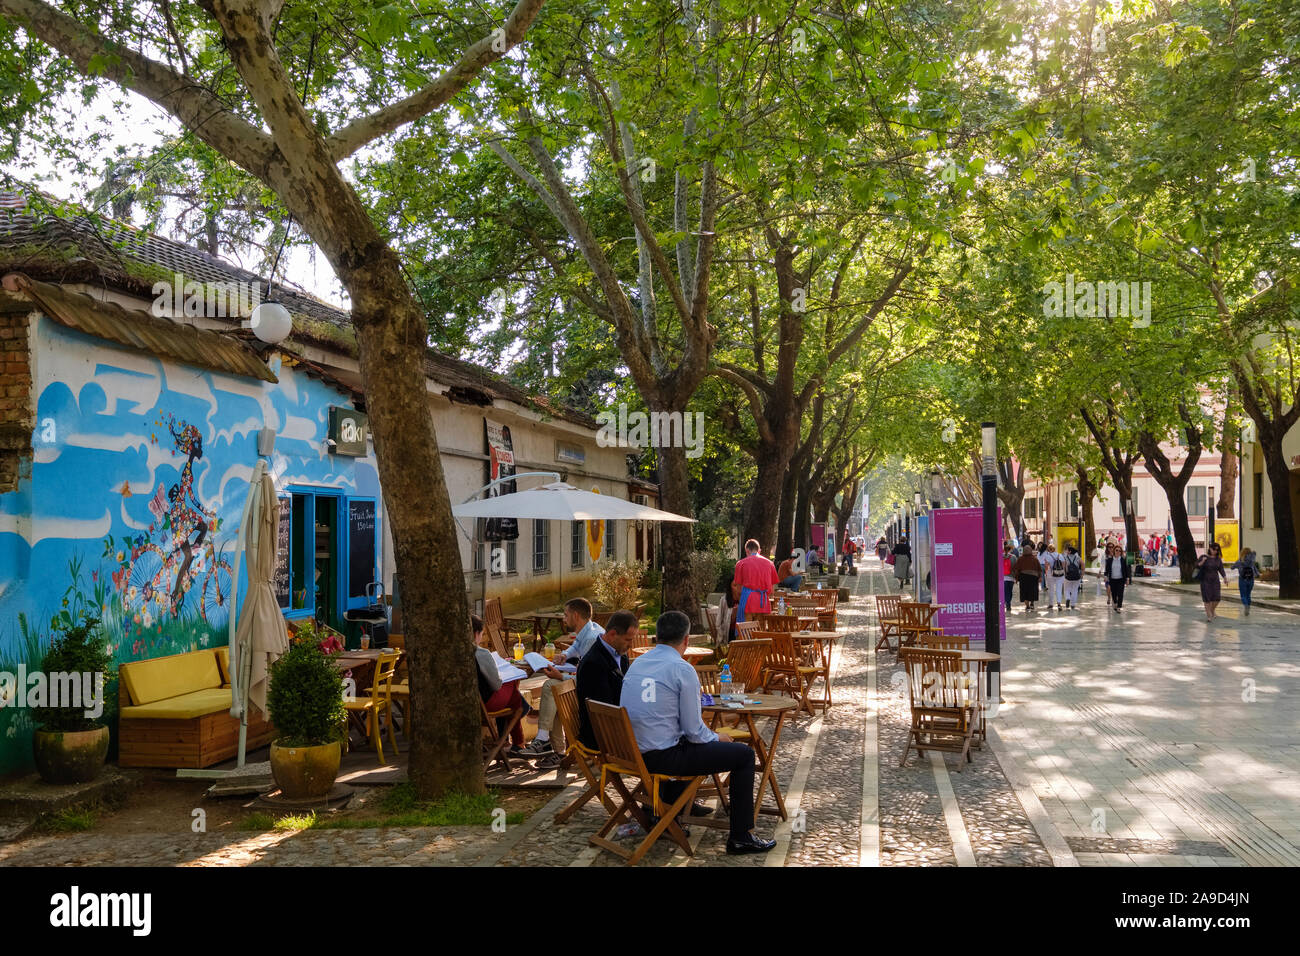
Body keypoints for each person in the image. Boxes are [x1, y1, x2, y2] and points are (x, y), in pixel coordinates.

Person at [620, 611, 775, 855]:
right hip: (660, 757)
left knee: (687, 743)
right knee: (743, 755)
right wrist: (717, 737)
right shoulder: (682, 669)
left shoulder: (636, 663)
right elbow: (694, 731)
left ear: (656, 637)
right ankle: (741, 836)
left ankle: (670, 815)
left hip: (631, 753)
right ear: (686, 640)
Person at [517, 598, 606, 762]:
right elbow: (576, 646)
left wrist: (561, 676)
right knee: (554, 689)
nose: (564, 619)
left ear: (576, 616)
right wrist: (565, 655)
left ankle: (547, 743)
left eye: (566, 615)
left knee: (552, 685)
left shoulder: (591, 638)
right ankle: (554, 750)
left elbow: (585, 679)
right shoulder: (588, 630)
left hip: (591, 695)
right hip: (588, 688)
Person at [574, 610, 637, 751]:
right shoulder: (593, 663)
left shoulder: (620, 653)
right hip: (603, 736)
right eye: (628, 639)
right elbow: (604, 709)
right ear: (612, 634)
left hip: (617, 725)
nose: (631, 645)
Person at [472, 614, 530, 753]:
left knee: (513, 696)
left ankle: (509, 741)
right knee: (513, 685)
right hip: (485, 705)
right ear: (476, 634)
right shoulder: (480, 653)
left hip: (466, 703)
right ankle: (516, 742)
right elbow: (496, 685)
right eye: (482, 634)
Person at [733, 539, 779, 626]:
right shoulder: (770, 563)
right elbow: (772, 591)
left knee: (745, 632)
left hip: (747, 601)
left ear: (747, 550)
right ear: (758, 550)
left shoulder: (741, 563)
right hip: (764, 603)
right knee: (761, 632)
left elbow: (738, 590)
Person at [1197, 543, 1228, 622]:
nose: (1215, 551)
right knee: (1207, 598)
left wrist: (1225, 578)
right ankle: (1209, 616)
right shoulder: (1204, 557)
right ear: (1210, 548)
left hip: (1215, 580)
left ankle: (1211, 610)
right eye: (1214, 549)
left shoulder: (1218, 559)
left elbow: (1221, 569)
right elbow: (1197, 566)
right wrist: (1203, 561)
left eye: (1217, 550)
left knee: (1217, 598)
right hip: (1205, 580)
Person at [1014, 543, 1042, 612]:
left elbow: (1017, 569)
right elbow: (1039, 569)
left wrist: (1016, 578)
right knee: (1032, 590)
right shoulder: (1035, 559)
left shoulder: (1020, 559)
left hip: (1024, 578)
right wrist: (1040, 577)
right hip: (1033, 578)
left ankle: (1027, 606)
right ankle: (1032, 603)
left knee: (1024, 591)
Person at [1233, 547, 1261, 616]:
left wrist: (1233, 567)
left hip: (1242, 579)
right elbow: (1255, 569)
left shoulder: (1240, 561)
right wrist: (1258, 574)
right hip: (1251, 579)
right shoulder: (1252, 561)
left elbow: (1233, 566)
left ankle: (1246, 605)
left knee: (1243, 595)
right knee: (1248, 595)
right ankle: (1248, 606)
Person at [1104, 545, 1132, 612]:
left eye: (1119, 551)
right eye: (1116, 550)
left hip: (1121, 579)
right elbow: (1107, 569)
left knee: (1120, 593)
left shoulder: (1123, 560)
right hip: (1112, 579)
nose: (1118, 552)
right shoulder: (1109, 560)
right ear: (1114, 551)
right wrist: (1105, 576)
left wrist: (1128, 579)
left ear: (1121, 552)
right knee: (1114, 593)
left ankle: (1119, 606)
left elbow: (1127, 570)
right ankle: (1115, 603)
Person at [1045, 542, 1066, 610]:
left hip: (1050, 575)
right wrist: (1061, 570)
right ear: (1054, 549)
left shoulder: (1047, 556)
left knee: (1051, 589)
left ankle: (1051, 604)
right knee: (1058, 589)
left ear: (1049, 549)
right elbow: (1063, 564)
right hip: (1060, 574)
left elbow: (1046, 566)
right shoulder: (1060, 555)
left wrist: (1047, 572)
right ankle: (1059, 604)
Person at [1063, 545, 1083, 609]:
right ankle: (1073, 604)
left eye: (1067, 550)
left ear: (1070, 551)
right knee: (1075, 590)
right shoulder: (1078, 557)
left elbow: (1064, 567)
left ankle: (1068, 598)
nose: (1066, 551)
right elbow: (1083, 564)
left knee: (1066, 589)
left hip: (1068, 576)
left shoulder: (1066, 558)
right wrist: (1082, 574)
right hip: (1077, 576)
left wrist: (1065, 574)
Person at [1002, 542, 1015, 612]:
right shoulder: (1013, 557)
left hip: (1003, 577)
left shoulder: (1000, 556)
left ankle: (1005, 603)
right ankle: (1008, 604)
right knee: (1009, 591)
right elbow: (1015, 567)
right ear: (1010, 550)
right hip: (1011, 577)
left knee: (1004, 591)